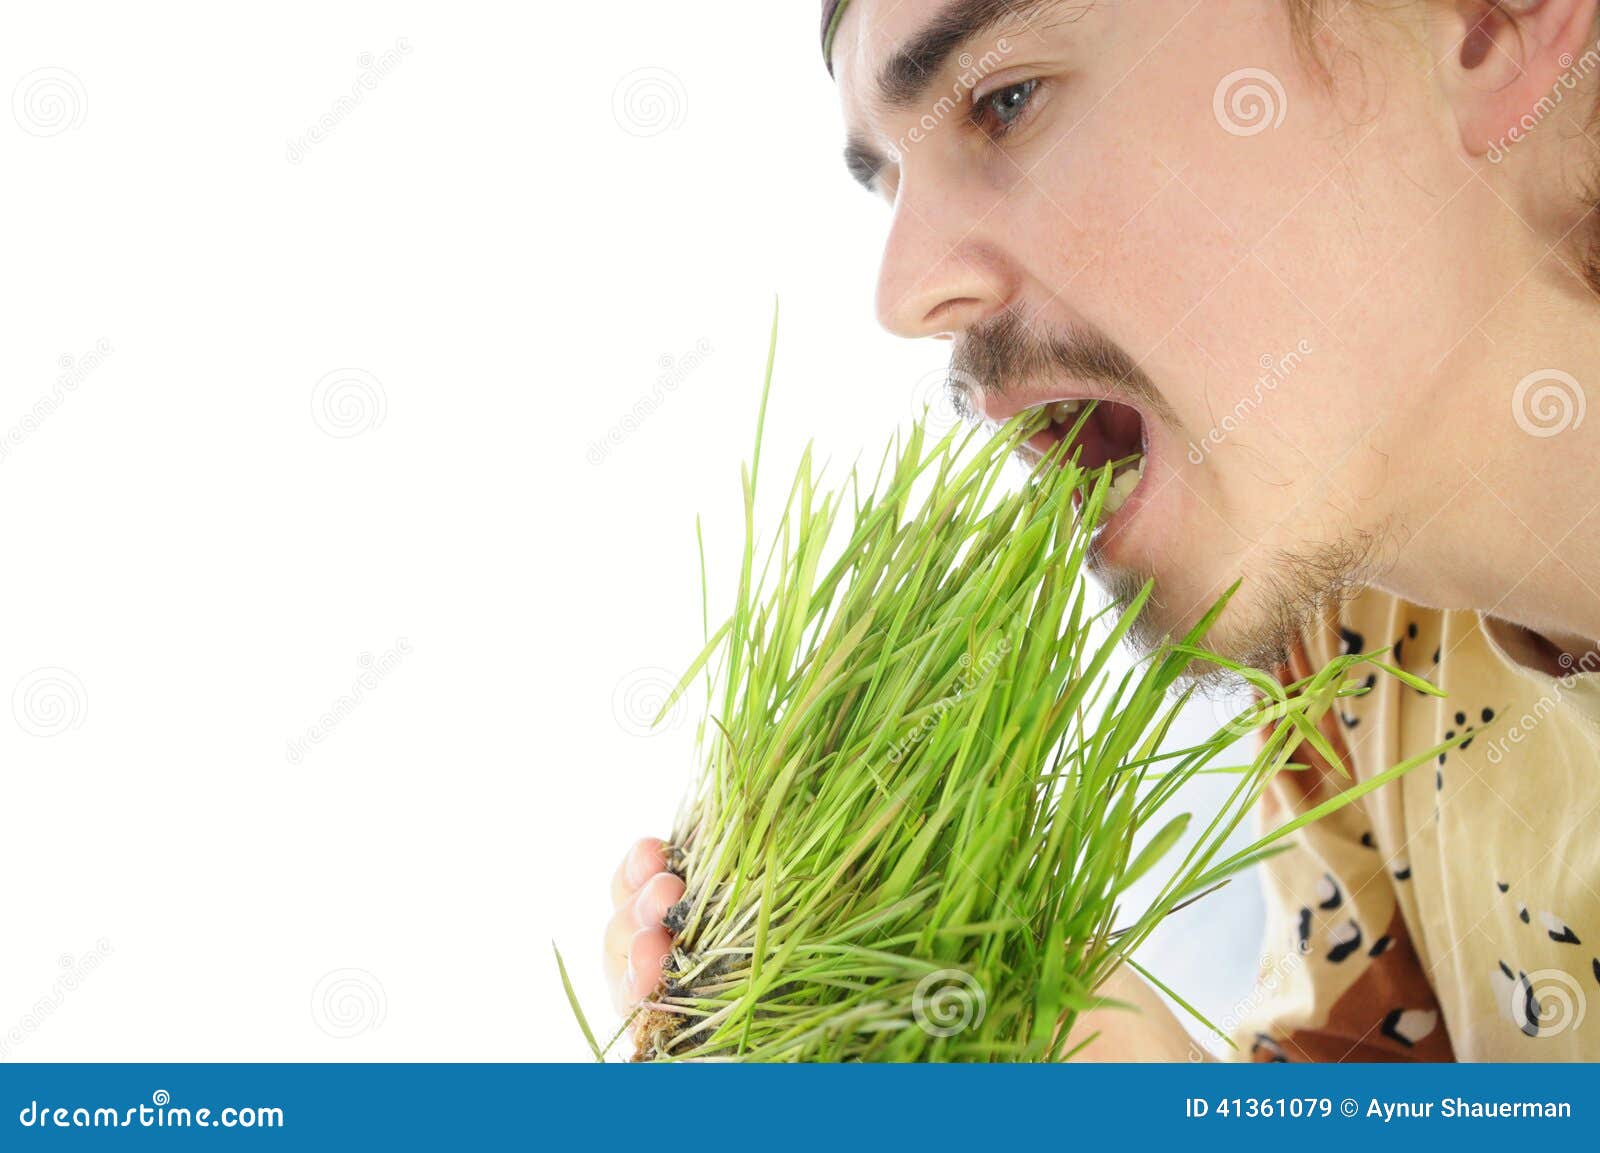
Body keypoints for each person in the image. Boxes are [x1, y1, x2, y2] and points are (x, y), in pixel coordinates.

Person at [606, 0, 1600, 1060]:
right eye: (891, 185)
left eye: (1005, 101)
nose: (903, 297)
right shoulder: (1348, 672)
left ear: (1483, 25)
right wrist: (1094, 1056)